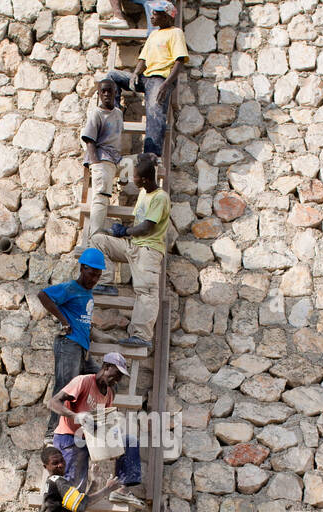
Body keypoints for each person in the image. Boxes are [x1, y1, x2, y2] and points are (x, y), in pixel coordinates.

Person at [48, 353, 132, 512]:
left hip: (85, 443)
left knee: (79, 492)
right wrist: (76, 416)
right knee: (68, 489)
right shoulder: (83, 382)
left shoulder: (109, 394)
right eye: (116, 373)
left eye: (120, 376)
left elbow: (102, 423)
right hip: (68, 439)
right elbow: (53, 402)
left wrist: (110, 446)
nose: (117, 379)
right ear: (106, 366)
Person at [90, 155, 169, 348]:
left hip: (148, 250)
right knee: (99, 240)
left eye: (135, 177)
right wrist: (121, 234)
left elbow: (146, 227)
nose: (133, 179)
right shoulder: (144, 193)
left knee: (146, 292)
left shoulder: (160, 197)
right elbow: (137, 226)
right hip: (134, 244)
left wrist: (124, 231)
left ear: (145, 180)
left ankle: (141, 336)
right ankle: (106, 282)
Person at [105, 2, 188, 158]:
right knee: (111, 77)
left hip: (160, 79)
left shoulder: (175, 33)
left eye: (155, 14)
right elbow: (143, 58)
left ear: (166, 16)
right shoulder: (154, 34)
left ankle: (151, 157)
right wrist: (135, 73)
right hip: (145, 78)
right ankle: (114, 117)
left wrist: (167, 84)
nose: (152, 16)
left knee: (155, 113)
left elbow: (179, 61)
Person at [40, 248, 105, 432]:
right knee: (64, 386)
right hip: (69, 344)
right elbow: (43, 295)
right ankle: (53, 431)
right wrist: (63, 321)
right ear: (82, 268)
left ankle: (84, 425)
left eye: (98, 276)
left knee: (100, 380)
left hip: (82, 348)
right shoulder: (71, 288)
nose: (94, 279)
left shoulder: (87, 293)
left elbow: (84, 321)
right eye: (91, 274)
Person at [80, 79, 124, 252]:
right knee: (101, 194)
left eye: (109, 91)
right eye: (103, 92)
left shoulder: (118, 114)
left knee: (141, 163)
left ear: (114, 93)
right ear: (99, 94)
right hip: (101, 157)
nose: (106, 94)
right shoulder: (96, 114)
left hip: (116, 158)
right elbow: (89, 140)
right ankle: (95, 237)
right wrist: (96, 164)